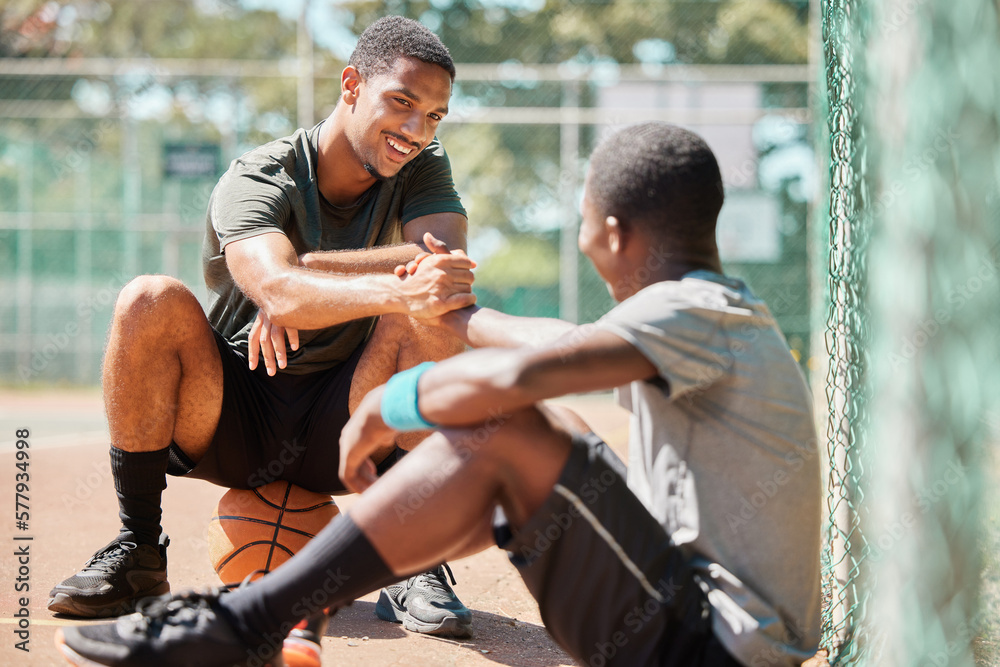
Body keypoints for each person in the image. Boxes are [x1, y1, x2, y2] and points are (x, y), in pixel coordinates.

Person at [56, 122, 823, 667]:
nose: (582, 235)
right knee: (519, 438)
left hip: (707, 641)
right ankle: (278, 603)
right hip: (692, 623)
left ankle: (243, 619)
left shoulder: (699, 313)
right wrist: (443, 310)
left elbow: (534, 370)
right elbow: (549, 340)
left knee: (510, 428)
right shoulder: (713, 310)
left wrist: (394, 405)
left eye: (583, 219)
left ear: (613, 233)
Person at [47, 13, 479, 658]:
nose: (417, 131)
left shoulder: (421, 167)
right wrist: (323, 284)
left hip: (349, 419)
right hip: (239, 407)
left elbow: (444, 262)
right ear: (352, 84)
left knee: (427, 310)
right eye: (403, 103)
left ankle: (414, 554)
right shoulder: (261, 176)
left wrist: (309, 275)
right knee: (149, 298)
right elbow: (277, 291)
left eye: (435, 117)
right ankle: (138, 547)